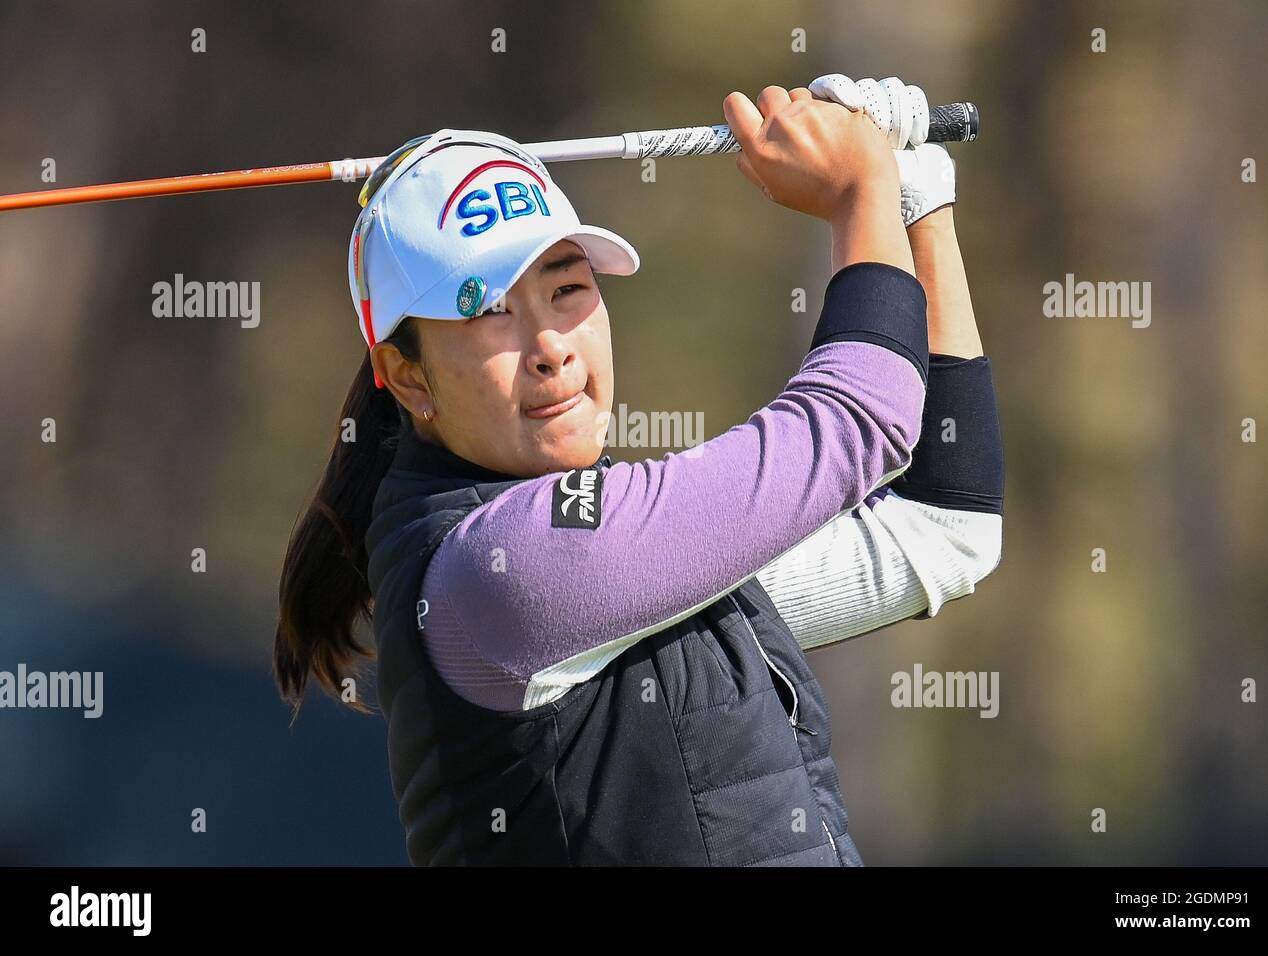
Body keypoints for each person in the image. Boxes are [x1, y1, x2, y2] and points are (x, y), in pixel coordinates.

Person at [273, 74, 1003, 866]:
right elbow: (862, 416)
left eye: (567, 289)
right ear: (408, 375)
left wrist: (915, 202)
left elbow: (943, 530)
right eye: (489, 312)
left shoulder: (627, 563)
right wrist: (861, 191)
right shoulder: (499, 569)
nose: (550, 344)